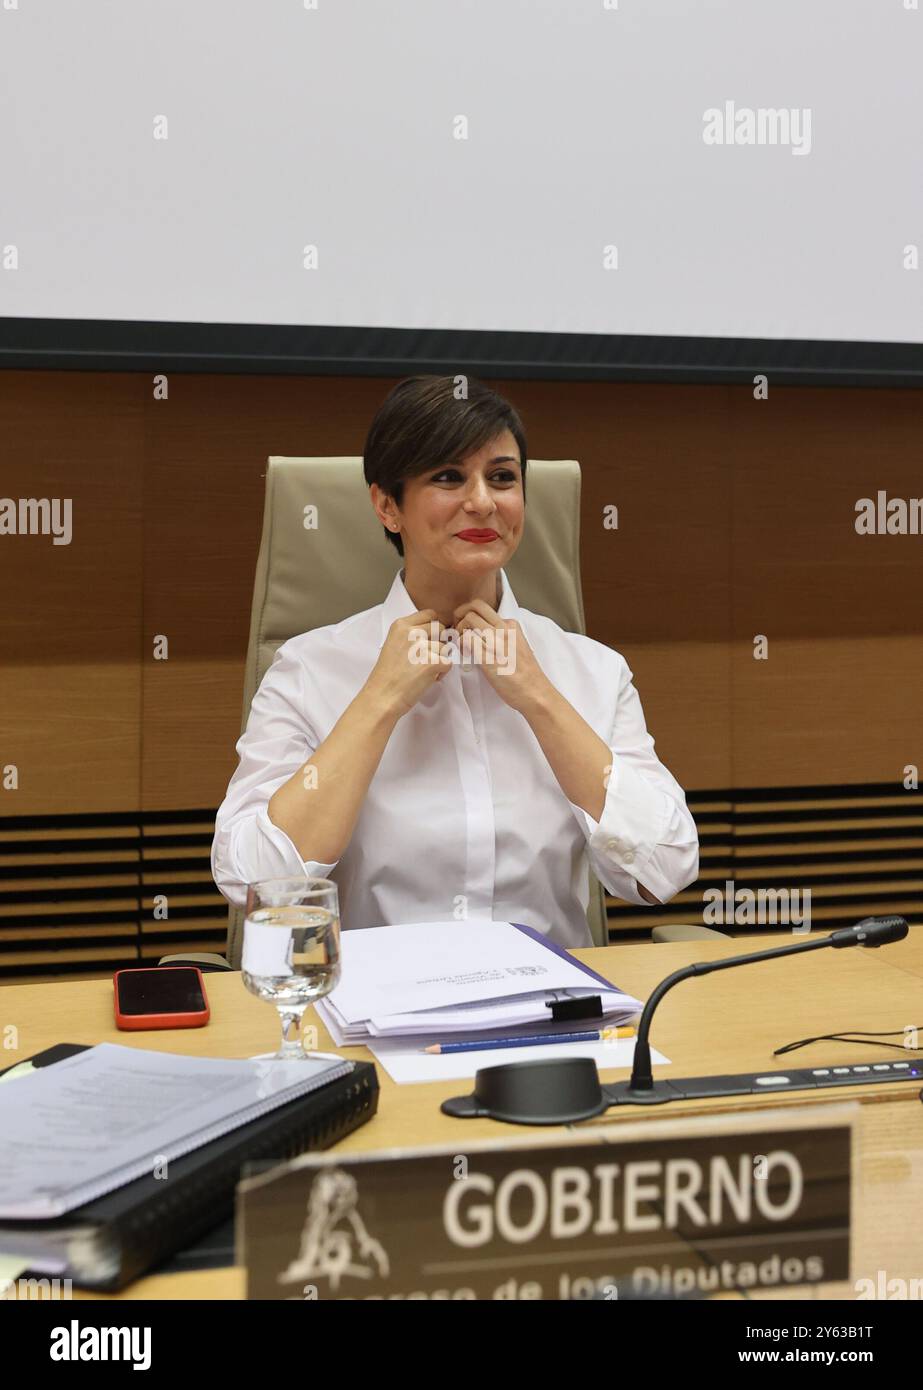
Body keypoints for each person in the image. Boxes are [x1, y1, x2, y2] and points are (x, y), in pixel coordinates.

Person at [211, 375, 698, 945]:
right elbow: (254, 883)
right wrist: (378, 702)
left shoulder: (591, 670)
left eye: (502, 478)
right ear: (387, 505)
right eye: (447, 477)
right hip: (371, 1017)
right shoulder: (308, 669)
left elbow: (665, 870)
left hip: (551, 1011)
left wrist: (539, 698)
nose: (483, 502)